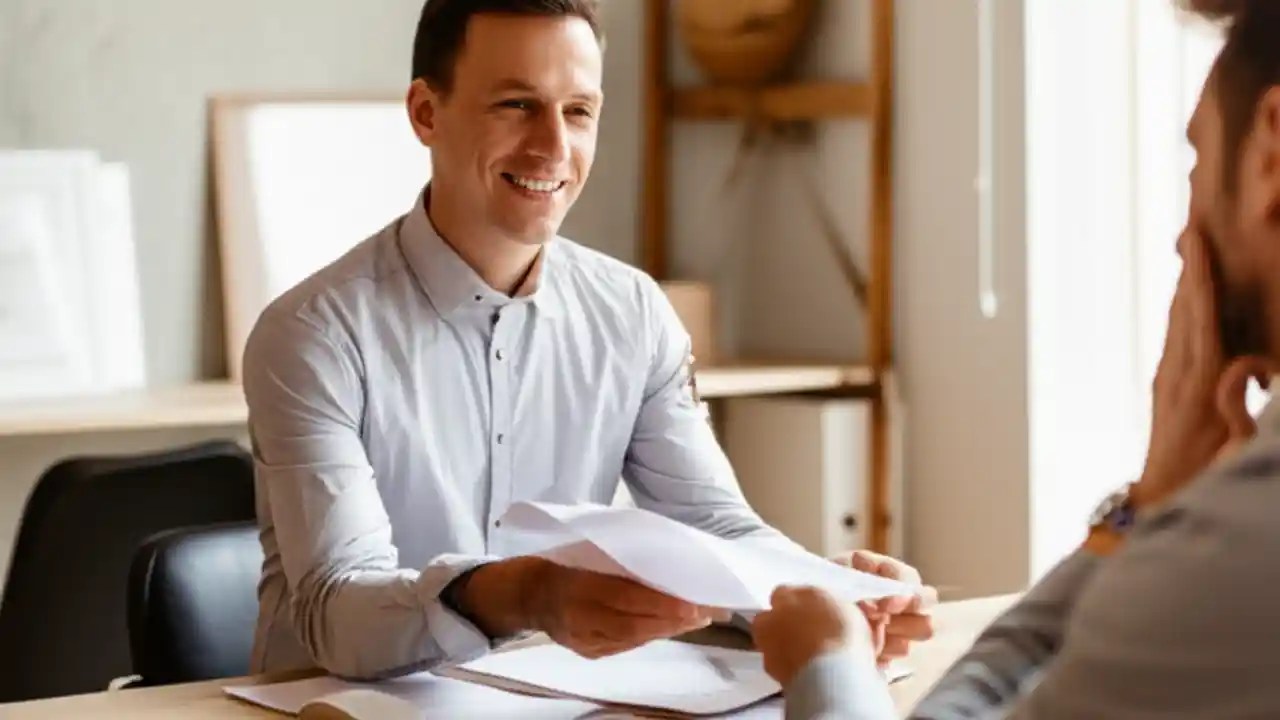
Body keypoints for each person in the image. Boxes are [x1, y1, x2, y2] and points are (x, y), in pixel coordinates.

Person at [242, 0, 935, 681]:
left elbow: (714, 528)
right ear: (426, 113)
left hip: (553, 699)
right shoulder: (313, 337)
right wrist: (523, 594)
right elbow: (338, 611)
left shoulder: (634, 313)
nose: (553, 147)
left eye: (578, 111)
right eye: (516, 104)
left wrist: (824, 596)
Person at [750, 0, 1280, 717]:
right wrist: (1147, 510)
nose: (1185, 235)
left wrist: (828, 664)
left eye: (1196, 159)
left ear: (1271, 157)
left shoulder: (1240, 546)